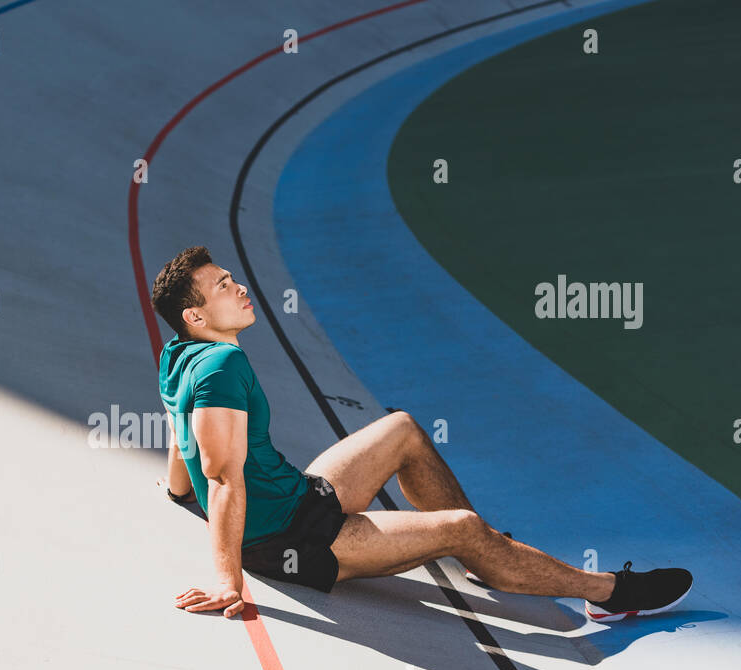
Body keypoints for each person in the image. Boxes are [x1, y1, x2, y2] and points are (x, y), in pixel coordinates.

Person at [152, 245, 691, 622]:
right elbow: (223, 479)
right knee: (462, 526)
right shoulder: (222, 365)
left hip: (297, 497)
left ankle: (488, 554)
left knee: (403, 429)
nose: (240, 286)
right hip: (293, 540)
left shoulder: (177, 353)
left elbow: (183, 436)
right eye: (223, 286)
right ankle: (608, 592)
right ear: (196, 315)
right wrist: (229, 580)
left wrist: (180, 493)